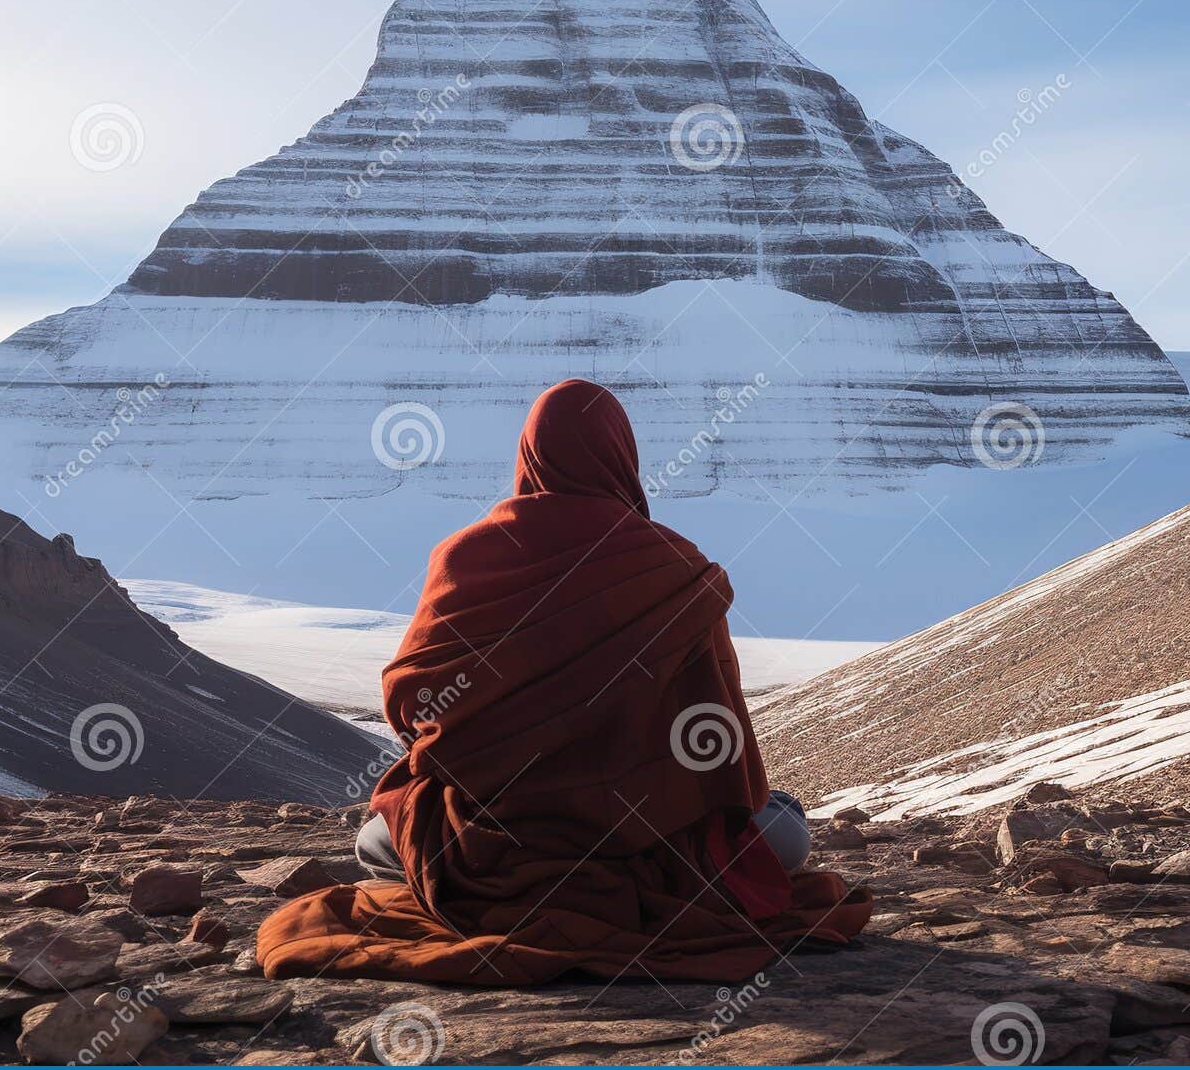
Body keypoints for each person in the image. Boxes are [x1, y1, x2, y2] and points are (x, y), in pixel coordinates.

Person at [258, 378, 870, 986]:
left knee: (381, 839)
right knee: (782, 827)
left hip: (490, 855)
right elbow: (722, 745)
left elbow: (412, 707)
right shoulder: (678, 568)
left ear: (527, 454)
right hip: (655, 850)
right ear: (622, 456)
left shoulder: (466, 558)